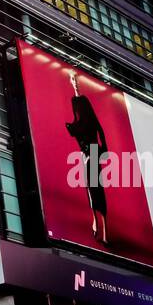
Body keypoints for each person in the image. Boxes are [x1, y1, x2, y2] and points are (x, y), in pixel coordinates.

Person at [65, 72, 108, 243]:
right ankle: (96, 222)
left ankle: (103, 227)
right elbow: (78, 122)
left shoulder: (83, 101)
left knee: (95, 186)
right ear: (71, 82)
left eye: (77, 80)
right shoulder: (74, 101)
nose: (75, 83)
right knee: (90, 186)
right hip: (85, 150)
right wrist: (72, 128)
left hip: (93, 149)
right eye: (73, 80)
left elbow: (95, 123)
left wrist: (103, 146)